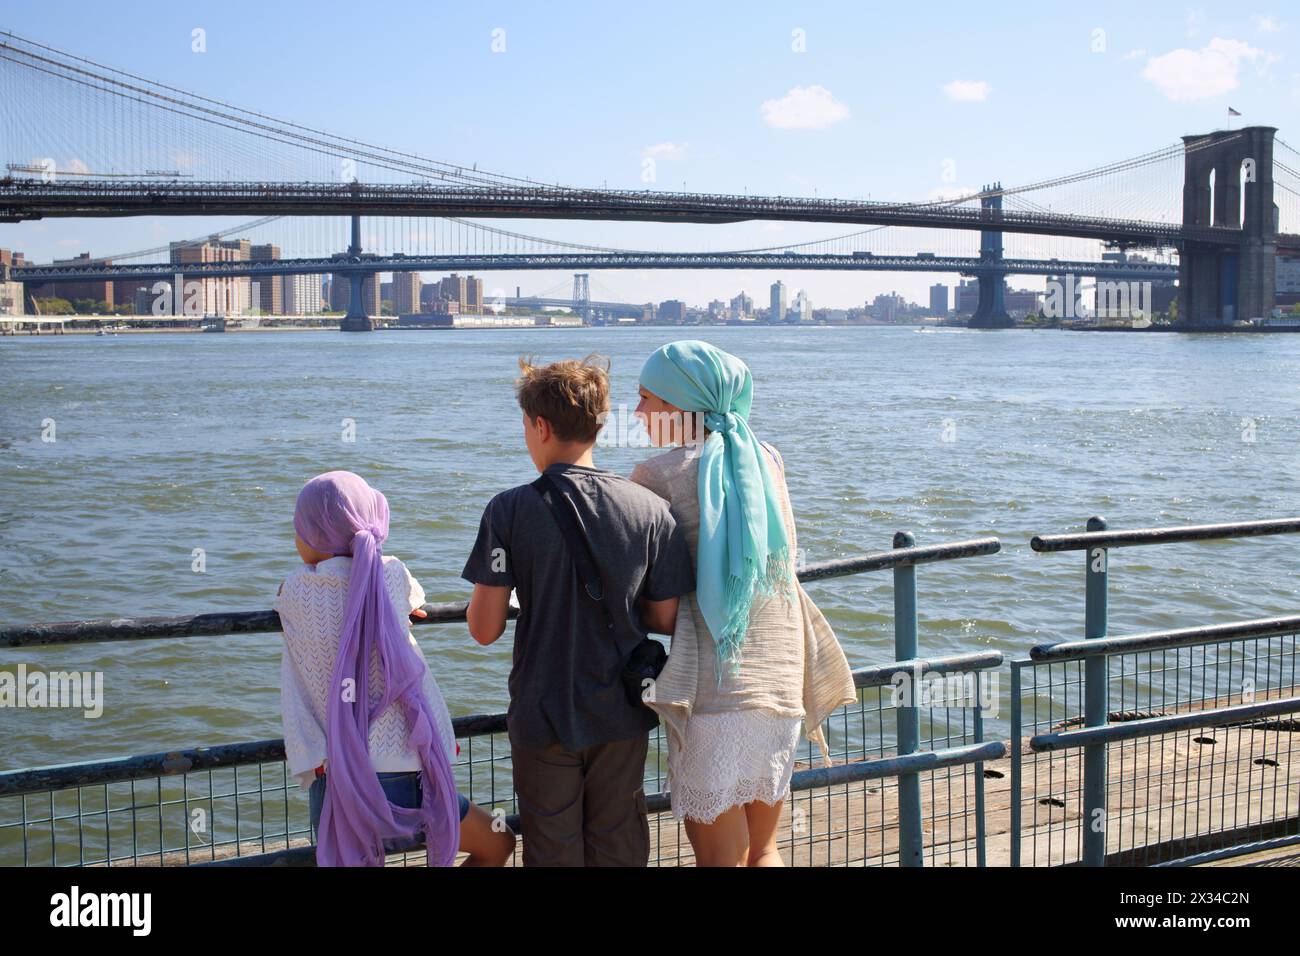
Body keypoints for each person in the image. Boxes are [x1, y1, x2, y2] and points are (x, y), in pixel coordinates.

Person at [630, 340, 857, 867]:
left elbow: (652, 594)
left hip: (717, 693)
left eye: (645, 398)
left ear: (680, 404)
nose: (637, 412)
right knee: (763, 850)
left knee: (719, 859)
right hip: (781, 684)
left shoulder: (656, 476)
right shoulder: (766, 458)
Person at [462, 355, 695, 866]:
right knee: (618, 842)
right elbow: (663, 618)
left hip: (543, 713)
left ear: (540, 426)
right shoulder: (649, 509)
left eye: (526, 426)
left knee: (552, 848)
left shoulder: (508, 510)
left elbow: (484, 628)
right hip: (622, 710)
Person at [277, 470, 515, 867]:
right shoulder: (391, 573)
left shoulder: (295, 590)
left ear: (316, 534)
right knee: (499, 843)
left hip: (339, 778)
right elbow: (412, 599)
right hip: (411, 771)